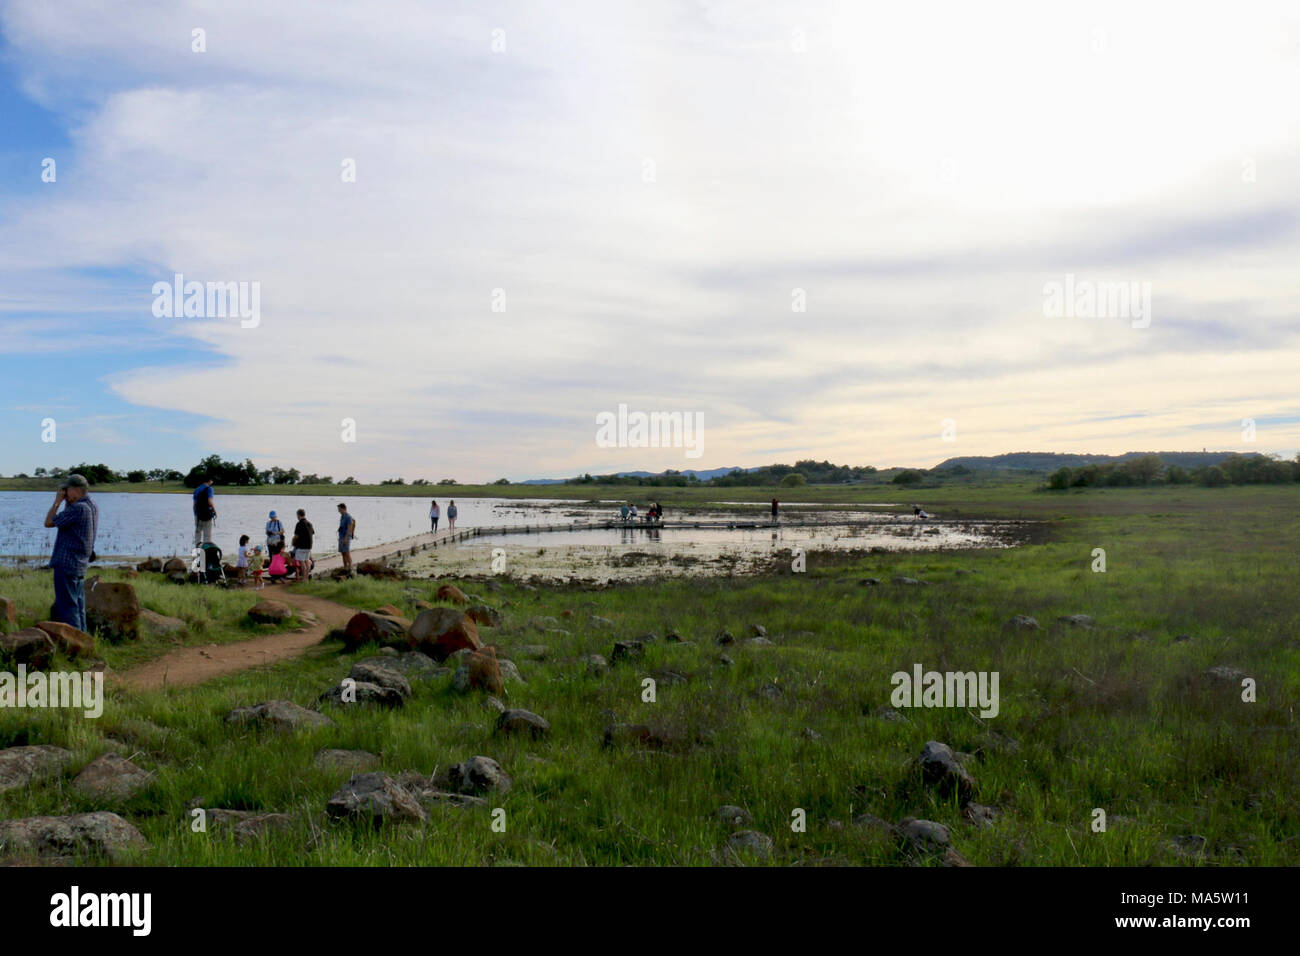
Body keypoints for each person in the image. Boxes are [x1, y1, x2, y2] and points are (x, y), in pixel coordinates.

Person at [43, 473, 98, 632]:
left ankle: (74, 648)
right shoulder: (91, 506)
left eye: (66, 490)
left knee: (68, 609)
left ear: (76, 489)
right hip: (79, 565)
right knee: (78, 608)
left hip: (67, 564)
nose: (64, 493)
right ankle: (84, 643)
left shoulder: (78, 508)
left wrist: (57, 502)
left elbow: (49, 522)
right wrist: (67, 500)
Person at [192, 477, 216, 546]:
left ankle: (197, 553)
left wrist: (195, 514)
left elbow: (194, 505)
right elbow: (210, 501)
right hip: (207, 515)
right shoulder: (209, 489)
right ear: (210, 480)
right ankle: (206, 553)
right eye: (212, 481)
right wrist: (215, 511)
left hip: (198, 515)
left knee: (198, 534)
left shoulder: (196, 489)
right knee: (207, 536)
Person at [292, 508, 314, 580]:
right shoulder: (309, 523)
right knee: (307, 561)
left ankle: (304, 579)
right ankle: (306, 578)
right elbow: (312, 533)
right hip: (309, 546)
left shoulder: (299, 524)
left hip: (301, 546)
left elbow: (296, 536)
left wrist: (293, 542)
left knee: (302, 562)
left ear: (298, 515)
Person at [337, 503, 356, 575]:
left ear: (343, 508)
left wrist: (346, 538)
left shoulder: (348, 517)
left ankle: (351, 567)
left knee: (347, 553)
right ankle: (345, 567)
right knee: (343, 553)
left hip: (346, 537)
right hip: (341, 536)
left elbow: (349, 528)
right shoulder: (342, 516)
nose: (338, 511)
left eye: (339, 509)